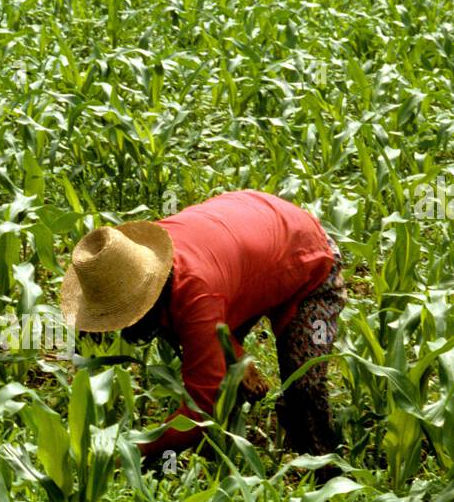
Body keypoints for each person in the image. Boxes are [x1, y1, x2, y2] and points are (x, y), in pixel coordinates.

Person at [60, 190, 346, 465]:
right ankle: (220, 447)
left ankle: (326, 470)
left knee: (303, 390)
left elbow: (201, 411)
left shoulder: (197, 296)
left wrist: (130, 450)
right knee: (224, 376)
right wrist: (232, 354)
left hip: (308, 253)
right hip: (248, 233)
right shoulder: (134, 258)